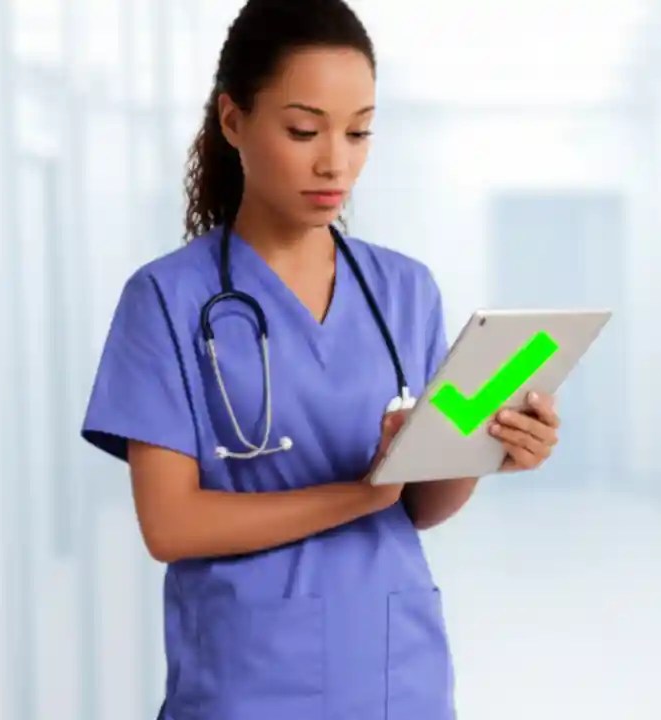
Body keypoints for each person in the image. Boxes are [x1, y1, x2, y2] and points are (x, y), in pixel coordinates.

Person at [79, 1, 561, 717]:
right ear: (233, 120)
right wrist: (362, 492)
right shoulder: (168, 300)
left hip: (398, 674)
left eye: (359, 130)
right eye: (303, 130)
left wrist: (487, 448)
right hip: (247, 680)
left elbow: (423, 504)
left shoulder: (404, 289)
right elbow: (171, 525)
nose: (336, 160)